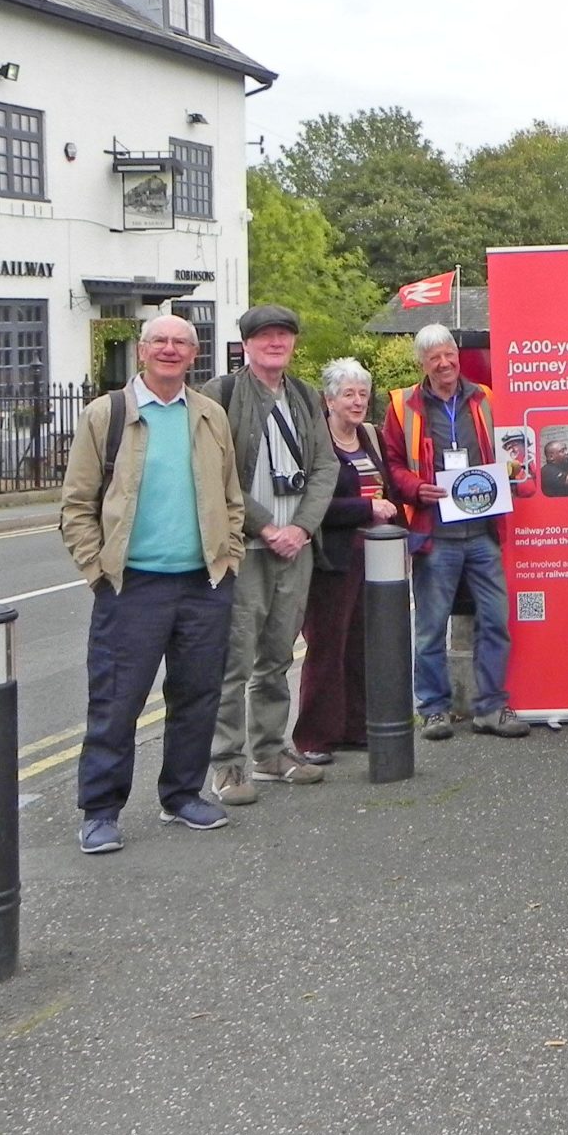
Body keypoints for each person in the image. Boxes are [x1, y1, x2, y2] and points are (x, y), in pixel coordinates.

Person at [58, 314, 243, 854]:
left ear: (193, 355)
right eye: (159, 341)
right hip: (132, 586)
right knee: (117, 701)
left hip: (203, 584)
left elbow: (231, 497)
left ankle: (181, 795)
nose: (169, 349)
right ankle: (100, 810)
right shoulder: (106, 414)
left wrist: (228, 558)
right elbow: (76, 505)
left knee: (197, 695)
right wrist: (97, 570)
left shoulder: (209, 415)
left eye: (180, 343)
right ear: (142, 351)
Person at [203, 305, 339, 806]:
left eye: (283, 335)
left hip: (295, 548)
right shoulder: (222, 396)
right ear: (246, 345)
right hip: (245, 548)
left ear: (294, 343)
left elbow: (325, 466)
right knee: (234, 661)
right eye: (265, 336)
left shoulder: (304, 395)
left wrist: (300, 528)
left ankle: (270, 752)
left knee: (278, 657)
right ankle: (227, 763)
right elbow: (218, 475)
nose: (275, 343)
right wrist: (268, 526)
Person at [383, 323, 530, 740]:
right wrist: (414, 488)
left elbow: (508, 453)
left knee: (495, 621)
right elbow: (390, 462)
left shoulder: (486, 399)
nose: (444, 363)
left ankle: (491, 707)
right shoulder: (402, 406)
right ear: (422, 364)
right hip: (436, 534)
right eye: (434, 358)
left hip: (483, 532)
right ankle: (433, 709)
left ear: (458, 355)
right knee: (430, 627)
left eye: (449, 354)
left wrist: (515, 471)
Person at [293, 358, 400, 764]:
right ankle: (315, 737)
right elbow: (311, 506)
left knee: (362, 647)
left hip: (376, 556)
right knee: (326, 647)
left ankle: (356, 728)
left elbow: (390, 494)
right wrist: (365, 508)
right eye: (348, 394)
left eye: (362, 394)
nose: (357, 402)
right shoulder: (316, 443)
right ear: (329, 399)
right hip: (331, 559)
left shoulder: (370, 436)